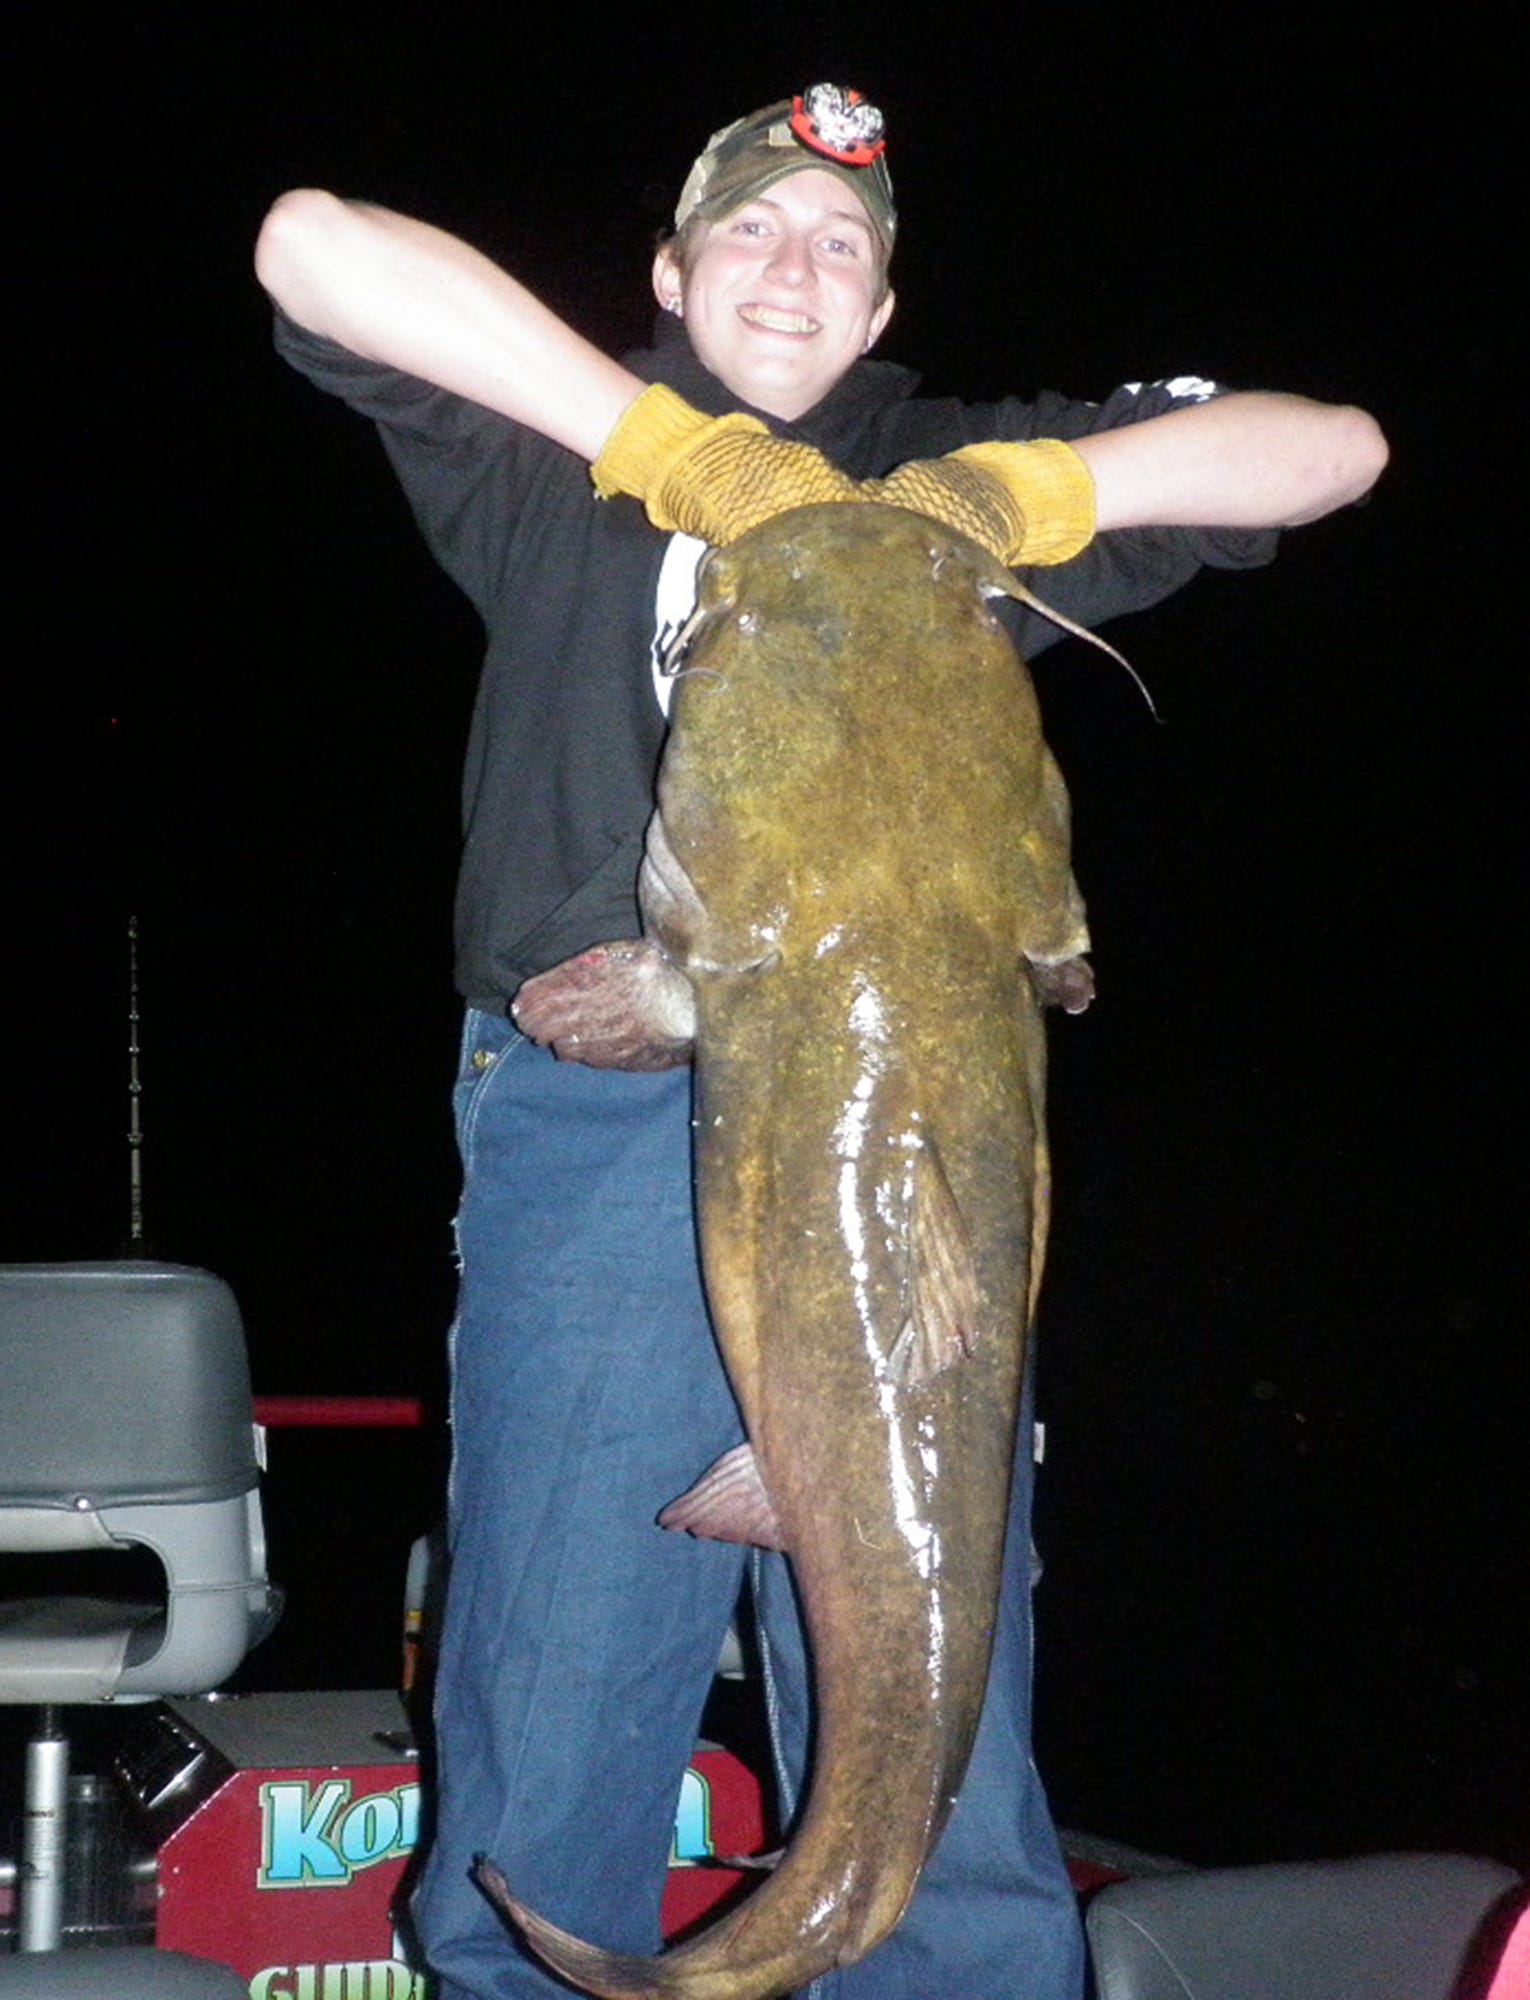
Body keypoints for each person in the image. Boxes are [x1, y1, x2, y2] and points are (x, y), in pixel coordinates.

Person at [256, 85, 1387, 2000]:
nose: (797, 269)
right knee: (564, 1641)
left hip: (935, 1119)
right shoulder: (560, 447)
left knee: (940, 1634)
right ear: (671, 276)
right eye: (752, 235)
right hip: (610, 1103)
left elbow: (1332, 451)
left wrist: (1036, 498)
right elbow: (308, 243)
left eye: (841, 246)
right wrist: (659, 448)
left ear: (879, 311)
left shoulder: (949, 475)